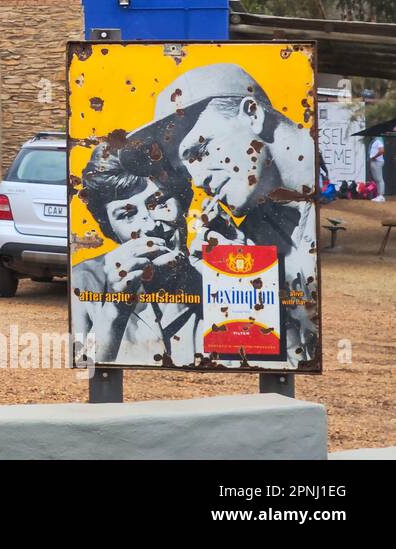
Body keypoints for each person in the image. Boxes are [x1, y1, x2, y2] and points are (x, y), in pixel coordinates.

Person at [140, 63, 319, 368]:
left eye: (199, 151)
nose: (197, 180)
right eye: (187, 169)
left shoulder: (327, 198)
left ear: (253, 115)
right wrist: (238, 278)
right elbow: (282, 354)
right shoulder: (263, 225)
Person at [72, 143, 202, 367]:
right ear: (109, 228)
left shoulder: (219, 274)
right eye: (126, 214)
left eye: (160, 203)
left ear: (183, 201)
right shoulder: (84, 280)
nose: (149, 225)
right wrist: (115, 308)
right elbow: (85, 368)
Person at [372, 136, 386, 202]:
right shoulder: (375, 140)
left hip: (377, 161)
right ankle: (379, 195)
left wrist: (375, 156)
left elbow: (382, 150)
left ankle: (381, 196)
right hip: (374, 161)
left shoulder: (379, 139)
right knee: (377, 179)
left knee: (379, 179)